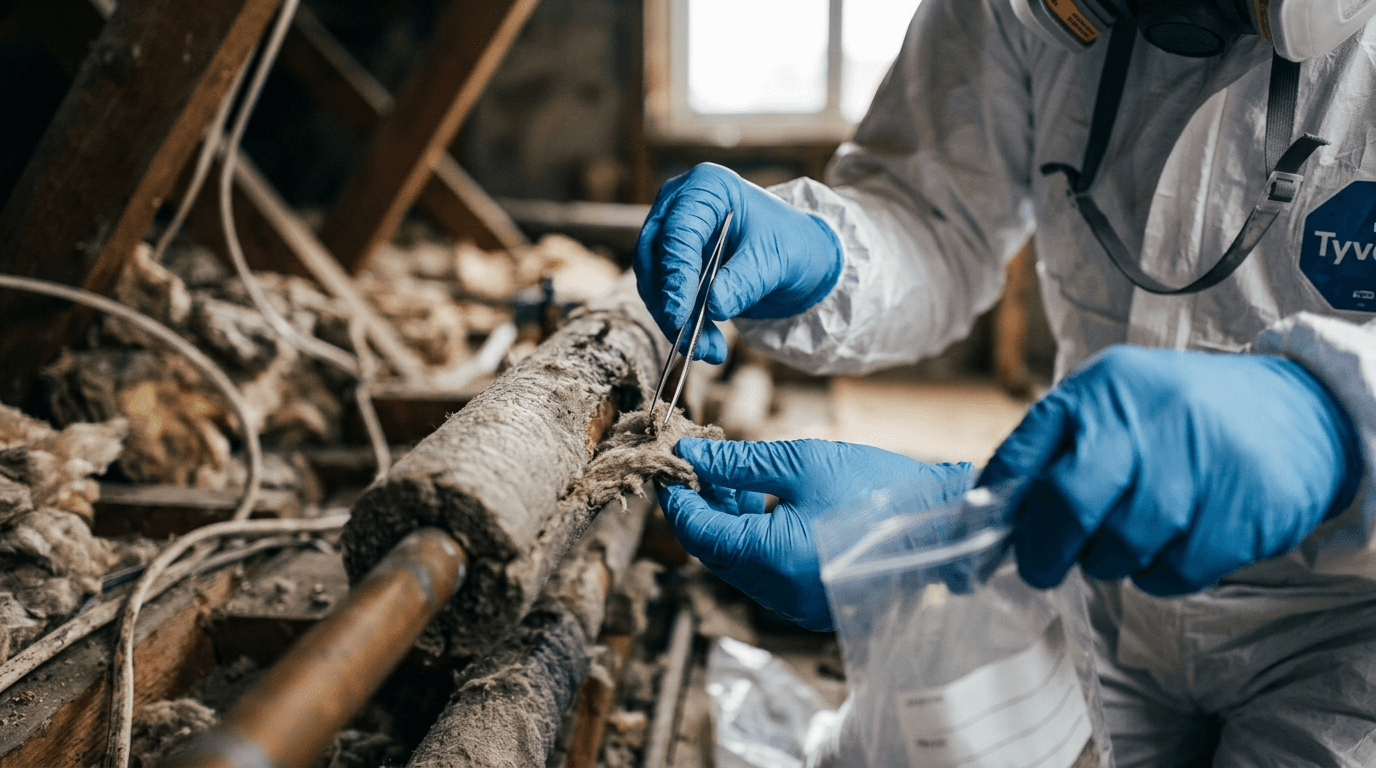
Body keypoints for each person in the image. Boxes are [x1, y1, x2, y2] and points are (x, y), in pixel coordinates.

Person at [633, 1, 1376, 765]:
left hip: (1348, 633)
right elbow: (937, 214)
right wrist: (827, 253)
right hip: (1087, 577)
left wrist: (1333, 424)